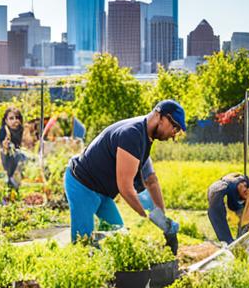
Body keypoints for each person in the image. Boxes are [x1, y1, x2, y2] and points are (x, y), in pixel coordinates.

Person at [64, 99, 183, 242]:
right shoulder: (132, 134)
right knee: (83, 242)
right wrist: (146, 217)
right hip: (82, 184)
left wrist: (165, 224)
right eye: (174, 126)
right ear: (159, 115)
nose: (174, 134)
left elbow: (151, 180)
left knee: (118, 236)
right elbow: (125, 187)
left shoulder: (145, 137)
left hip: (102, 192)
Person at [206, 173, 249, 244]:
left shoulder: (235, 182)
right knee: (218, 213)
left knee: (217, 213)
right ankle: (228, 241)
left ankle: (230, 240)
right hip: (217, 191)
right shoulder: (240, 184)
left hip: (214, 189)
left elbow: (233, 206)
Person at [0, 106, 26, 189]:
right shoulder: (4, 131)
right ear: (6, 121)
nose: (15, 121)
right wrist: (5, 147)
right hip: (7, 163)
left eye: (17, 118)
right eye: (11, 118)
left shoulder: (22, 130)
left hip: (19, 165)